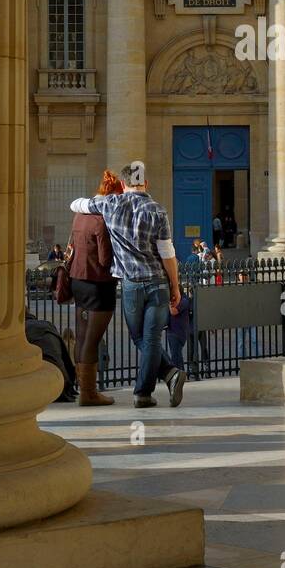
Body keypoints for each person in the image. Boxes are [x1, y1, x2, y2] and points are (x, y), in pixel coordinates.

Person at [71, 166, 185, 411]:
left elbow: (76, 204)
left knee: (140, 337)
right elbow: (168, 254)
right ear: (147, 183)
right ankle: (149, 389)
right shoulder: (158, 210)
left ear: (123, 184)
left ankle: (158, 383)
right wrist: (175, 286)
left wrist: (98, 199)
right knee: (151, 338)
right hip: (158, 283)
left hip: (132, 285)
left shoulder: (111, 204)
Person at [67, 170, 123, 406]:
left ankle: (84, 390)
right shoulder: (102, 220)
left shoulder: (80, 215)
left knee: (81, 336)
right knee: (93, 339)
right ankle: (89, 393)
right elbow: (103, 259)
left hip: (78, 281)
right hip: (99, 285)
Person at [166, 288, 192, 371]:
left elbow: (173, 311)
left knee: (175, 356)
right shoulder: (178, 300)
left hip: (178, 332)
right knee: (177, 355)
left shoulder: (183, 301)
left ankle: (178, 375)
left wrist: (168, 303)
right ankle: (182, 374)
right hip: (172, 330)